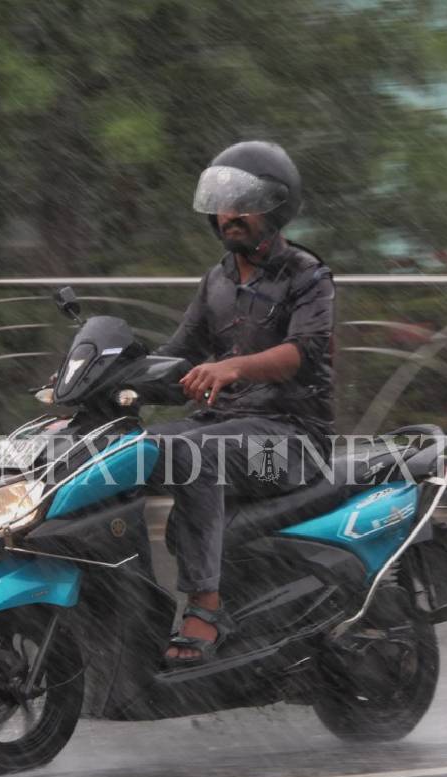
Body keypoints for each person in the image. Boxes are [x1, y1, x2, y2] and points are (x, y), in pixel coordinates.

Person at [148, 140, 336, 666]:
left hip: (294, 437)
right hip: (225, 424)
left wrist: (232, 366)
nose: (230, 214)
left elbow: (302, 353)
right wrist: (105, 376)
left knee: (196, 456)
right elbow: (178, 353)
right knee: (124, 451)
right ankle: (114, 591)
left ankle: (206, 608)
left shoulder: (308, 277)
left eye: (244, 202)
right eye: (223, 203)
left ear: (276, 208)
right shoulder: (217, 280)